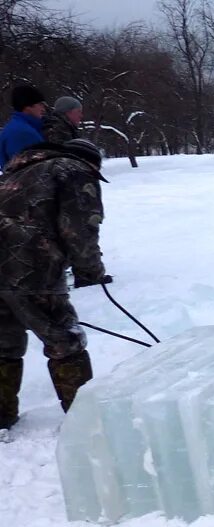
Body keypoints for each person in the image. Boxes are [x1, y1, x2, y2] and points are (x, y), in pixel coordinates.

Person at [0, 139, 112, 430]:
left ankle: (1, 413)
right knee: (64, 340)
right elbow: (79, 229)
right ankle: (85, 419)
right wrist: (91, 269)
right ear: (91, 163)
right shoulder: (72, 170)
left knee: (3, 344)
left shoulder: (14, 173)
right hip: (34, 271)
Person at [0, 85, 46, 170]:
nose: (43, 109)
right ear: (28, 106)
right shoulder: (22, 133)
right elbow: (31, 173)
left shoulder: (19, 127)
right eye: (40, 104)